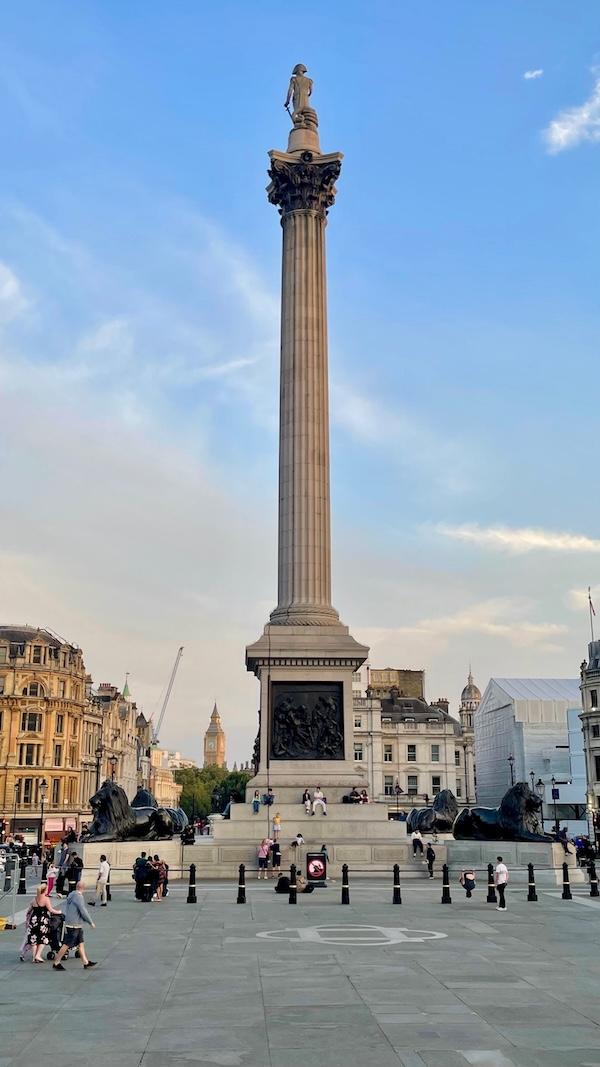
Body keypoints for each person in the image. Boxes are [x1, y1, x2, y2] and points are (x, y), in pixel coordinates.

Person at [52, 880, 96, 970]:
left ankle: (85, 962)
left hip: (74, 923)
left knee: (80, 943)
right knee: (67, 944)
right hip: (74, 924)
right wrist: (90, 922)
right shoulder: (79, 897)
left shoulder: (72, 894)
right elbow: (83, 911)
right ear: (83, 888)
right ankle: (56, 962)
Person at [27, 882, 62, 963]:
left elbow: (29, 910)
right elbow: (51, 910)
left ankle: (34, 957)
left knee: (34, 939)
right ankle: (38, 955)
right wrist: (59, 912)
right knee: (43, 938)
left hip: (33, 921)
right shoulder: (46, 899)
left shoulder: (34, 899)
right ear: (44, 890)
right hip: (42, 921)